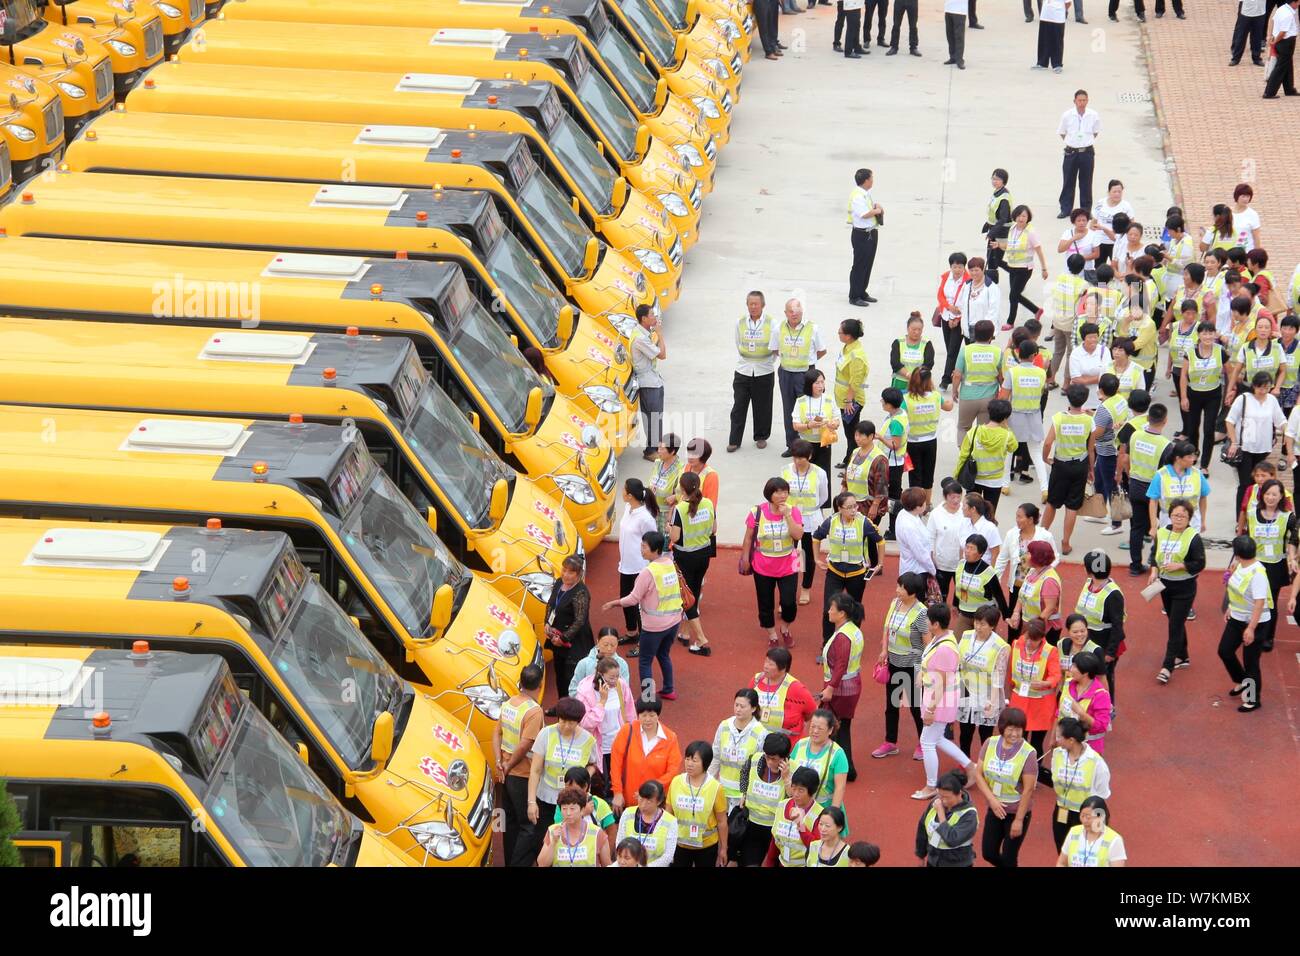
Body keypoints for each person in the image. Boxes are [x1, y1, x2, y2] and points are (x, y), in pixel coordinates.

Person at [603, 531, 682, 700]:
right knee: (663, 654)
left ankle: (647, 698)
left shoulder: (647, 572)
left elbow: (633, 598)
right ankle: (669, 689)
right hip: (674, 621)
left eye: (644, 546)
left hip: (654, 626)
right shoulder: (669, 563)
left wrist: (613, 603)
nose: (641, 549)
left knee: (645, 661)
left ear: (655, 549)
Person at [912, 603, 975, 801]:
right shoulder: (940, 639)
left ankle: (931, 786)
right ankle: (970, 766)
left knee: (927, 742)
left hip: (939, 700)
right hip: (935, 696)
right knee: (937, 738)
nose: (926, 623)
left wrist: (931, 708)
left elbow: (942, 682)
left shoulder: (945, 648)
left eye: (928, 620)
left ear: (936, 624)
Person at [525, 697, 599, 865]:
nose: (566, 726)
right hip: (546, 798)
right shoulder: (546, 734)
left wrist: (582, 778)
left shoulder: (588, 740)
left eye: (571, 723)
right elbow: (535, 770)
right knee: (544, 842)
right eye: (563, 721)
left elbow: (593, 765)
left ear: (579, 722)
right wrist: (531, 802)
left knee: (571, 843)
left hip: (573, 801)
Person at [741, 477, 805, 648]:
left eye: (785, 491)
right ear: (770, 494)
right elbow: (748, 538)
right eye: (778, 492)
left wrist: (788, 516)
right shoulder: (757, 512)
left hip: (789, 565)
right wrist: (746, 558)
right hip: (763, 566)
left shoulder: (793, 511)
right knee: (765, 603)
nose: (783, 495)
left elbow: (798, 535)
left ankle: (785, 628)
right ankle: (772, 634)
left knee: (789, 602)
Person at [971, 707, 1038, 867]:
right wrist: (992, 801)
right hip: (995, 809)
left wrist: (1019, 820)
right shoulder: (990, 743)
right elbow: (978, 774)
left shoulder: (1028, 753)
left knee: (1009, 858)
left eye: (1019, 730)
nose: (1014, 734)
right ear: (1002, 727)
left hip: (1016, 812)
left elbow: (1029, 789)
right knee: (988, 853)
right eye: (1010, 729)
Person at [495, 664, 545, 867]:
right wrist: (508, 766)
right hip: (522, 772)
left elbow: (496, 733)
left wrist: (499, 762)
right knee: (528, 824)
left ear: (520, 683)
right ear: (540, 685)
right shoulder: (534, 711)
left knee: (510, 822)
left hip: (506, 769)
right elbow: (526, 744)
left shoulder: (508, 704)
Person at [814, 493, 880, 644]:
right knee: (828, 609)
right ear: (839, 508)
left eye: (855, 506)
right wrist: (816, 558)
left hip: (856, 574)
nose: (854, 510)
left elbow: (880, 541)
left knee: (854, 608)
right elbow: (816, 537)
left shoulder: (863, 522)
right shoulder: (831, 521)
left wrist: (880, 563)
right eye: (849, 507)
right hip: (834, 573)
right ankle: (827, 644)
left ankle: (852, 641)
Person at [1118, 397, 1171, 575]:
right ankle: (1154, 560)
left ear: (1148, 419)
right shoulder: (1165, 445)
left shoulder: (1135, 436)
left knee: (1137, 527)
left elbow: (1126, 459)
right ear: (1165, 421)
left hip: (1135, 485)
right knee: (1160, 525)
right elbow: (1166, 472)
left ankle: (1135, 565)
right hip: (1154, 491)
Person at [1042, 384, 1096, 555]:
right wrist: (1090, 469)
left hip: (1060, 464)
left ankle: (1041, 537)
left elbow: (1048, 442)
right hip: (1079, 465)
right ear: (1085, 400)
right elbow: (1090, 448)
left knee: (1052, 502)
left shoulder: (1059, 418)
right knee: (1072, 506)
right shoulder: (1089, 420)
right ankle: (1065, 543)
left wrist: (1045, 458)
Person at [818, 595, 866, 780]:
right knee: (842, 727)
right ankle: (846, 768)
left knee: (833, 727)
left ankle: (843, 769)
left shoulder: (842, 638)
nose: (828, 611)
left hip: (840, 688)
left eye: (832, 608)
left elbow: (840, 665)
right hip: (851, 684)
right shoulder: (854, 630)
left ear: (842, 613)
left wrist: (830, 688)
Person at [1248, 478, 1298, 654]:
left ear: (1281, 496)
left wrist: (1293, 557)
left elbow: (1295, 537)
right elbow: (1248, 539)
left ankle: (1268, 637)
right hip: (1256, 564)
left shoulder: (1287, 517)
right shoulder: (1253, 514)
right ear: (1263, 495)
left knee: (1271, 603)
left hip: (1276, 565)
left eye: (1274, 494)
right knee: (1254, 600)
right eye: (1268, 494)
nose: (1270, 497)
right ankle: (1252, 630)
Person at [1222, 536, 1270, 713]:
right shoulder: (1240, 566)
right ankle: (1242, 681)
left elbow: (1259, 602)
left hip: (1255, 622)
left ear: (1237, 553)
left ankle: (1253, 699)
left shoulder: (1258, 573)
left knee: (1251, 662)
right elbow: (1236, 592)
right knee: (1224, 651)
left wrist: (1251, 628)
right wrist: (1230, 608)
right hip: (1236, 617)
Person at [609, 698, 683, 814]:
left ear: (658, 715)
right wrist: (617, 792)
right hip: (629, 802)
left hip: (655, 803)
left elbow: (672, 771)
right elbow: (616, 762)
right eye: (643, 715)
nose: (647, 720)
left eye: (652, 715)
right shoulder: (627, 731)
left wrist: (648, 792)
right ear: (638, 715)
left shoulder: (670, 738)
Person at [669, 470, 716, 656]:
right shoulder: (709, 504)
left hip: (685, 557)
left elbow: (675, 537)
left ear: (682, 489)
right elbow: (714, 529)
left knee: (685, 598)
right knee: (694, 593)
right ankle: (685, 632)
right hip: (704, 555)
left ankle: (702, 639)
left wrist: (668, 527)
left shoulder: (680, 509)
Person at [1049, 716, 1111, 851]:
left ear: (1071, 740)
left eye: (1059, 736)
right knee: (1063, 853)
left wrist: (1096, 823)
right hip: (1061, 812)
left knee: (1085, 855)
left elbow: (1102, 795)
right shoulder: (1057, 754)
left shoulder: (1096, 762)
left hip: (1087, 817)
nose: (1056, 738)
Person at [1007, 618, 1063, 768]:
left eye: (1034, 640)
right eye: (1027, 638)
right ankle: (1017, 770)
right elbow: (1010, 672)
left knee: (1036, 743)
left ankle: (1033, 772)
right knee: (1018, 740)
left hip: (1041, 704)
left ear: (1042, 637)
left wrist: (1047, 683)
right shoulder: (1016, 645)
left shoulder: (1050, 651)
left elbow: (1056, 675)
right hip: (1019, 701)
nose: (1030, 642)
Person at [1225, 372, 1286, 508]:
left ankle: (1256, 512)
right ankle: (1240, 517)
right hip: (1245, 448)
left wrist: (1289, 433)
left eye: (1267, 387)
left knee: (1260, 483)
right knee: (1245, 484)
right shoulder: (1243, 399)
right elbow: (1229, 421)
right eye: (1261, 387)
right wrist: (1234, 443)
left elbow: (1281, 421)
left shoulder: (1271, 400)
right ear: (1254, 386)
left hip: (1263, 449)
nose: (1264, 390)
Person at [1074, 550, 1127, 703]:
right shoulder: (1089, 584)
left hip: (1105, 643)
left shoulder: (1113, 594)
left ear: (1090, 571)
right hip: (1087, 639)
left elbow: (1118, 625)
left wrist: (1110, 653)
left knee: (1104, 677)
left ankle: (1108, 707)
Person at [996, 506, 1058, 636]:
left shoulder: (1045, 535)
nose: (1017, 519)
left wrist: (1042, 571)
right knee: (1014, 623)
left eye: (1020, 516)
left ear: (1030, 519)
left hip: (1037, 586)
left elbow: (1055, 556)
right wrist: (997, 580)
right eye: (1016, 516)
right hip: (1018, 584)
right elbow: (1002, 559)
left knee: (1035, 618)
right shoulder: (1012, 534)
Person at [775, 300, 828, 454]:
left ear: (802, 312)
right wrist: (789, 361)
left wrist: (809, 362)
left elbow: (822, 350)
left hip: (806, 374)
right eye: (791, 311)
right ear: (785, 313)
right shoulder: (779, 328)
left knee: (809, 408)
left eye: (797, 312)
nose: (794, 314)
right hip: (786, 372)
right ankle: (792, 446)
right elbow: (774, 349)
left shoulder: (813, 328)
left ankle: (810, 445)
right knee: (789, 409)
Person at [956, 605, 1010, 756]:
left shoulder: (1001, 647)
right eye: (976, 622)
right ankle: (964, 763)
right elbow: (958, 663)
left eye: (983, 624)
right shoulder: (966, 635)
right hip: (966, 691)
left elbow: (998, 677)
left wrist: (992, 703)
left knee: (985, 735)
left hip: (986, 694)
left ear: (992, 626)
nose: (978, 627)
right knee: (965, 732)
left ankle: (984, 765)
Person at [729, 291, 777, 453]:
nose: (754, 307)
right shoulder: (740, 322)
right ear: (747, 305)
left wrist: (766, 361)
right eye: (751, 303)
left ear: (763, 305)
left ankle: (761, 436)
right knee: (739, 406)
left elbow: (776, 347)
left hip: (764, 371)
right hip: (743, 370)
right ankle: (734, 440)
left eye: (757, 304)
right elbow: (738, 342)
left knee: (763, 406)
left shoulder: (772, 323)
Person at [667, 741, 729, 867]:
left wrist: (723, 849)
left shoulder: (716, 788)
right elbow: (668, 814)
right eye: (687, 759)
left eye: (694, 761)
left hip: (706, 846)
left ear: (705, 763)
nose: (689, 764)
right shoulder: (676, 782)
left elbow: (722, 821)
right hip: (679, 844)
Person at [615, 479, 659, 649]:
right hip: (625, 564)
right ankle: (632, 632)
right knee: (626, 599)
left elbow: (653, 541)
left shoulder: (645, 518)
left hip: (639, 567)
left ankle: (643, 642)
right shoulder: (628, 508)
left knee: (640, 605)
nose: (622, 492)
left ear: (630, 495)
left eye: (624, 490)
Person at [575, 657, 636, 779]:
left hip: (619, 742)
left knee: (620, 779)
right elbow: (586, 723)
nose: (615, 680)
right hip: (598, 744)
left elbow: (630, 713)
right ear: (600, 675)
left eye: (617, 676)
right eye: (611, 677)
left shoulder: (621, 685)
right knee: (603, 782)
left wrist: (632, 736)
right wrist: (602, 702)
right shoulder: (585, 691)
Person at [954, 398, 1017, 514]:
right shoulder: (1007, 436)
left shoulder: (974, 431)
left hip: (974, 478)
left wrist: (956, 474)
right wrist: (1006, 427)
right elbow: (1014, 447)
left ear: (989, 412)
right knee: (989, 514)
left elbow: (963, 455)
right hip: (995, 480)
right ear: (1005, 418)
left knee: (970, 513)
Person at [736, 733, 792, 865]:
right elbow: (744, 773)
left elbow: (793, 798)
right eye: (767, 757)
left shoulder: (793, 769)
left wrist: (786, 779)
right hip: (752, 824)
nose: (769, 762)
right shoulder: (755, 760)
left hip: (776, 828)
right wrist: (743, 793)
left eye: (774, 759)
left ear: (784, 758)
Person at [709, 689, 767, 810]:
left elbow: (759, 767)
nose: (738, 709)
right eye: (736, 705)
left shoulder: (760, 733)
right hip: (721, 789)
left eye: (742, 706)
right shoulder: (724, 725)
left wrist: (747, 793)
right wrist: (708, 781)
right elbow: (716, 755)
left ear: (753, 708)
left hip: (742, 795)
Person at [544, 555, 593, 698]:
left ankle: (573, 709)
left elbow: (579, 621)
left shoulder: (581, 593)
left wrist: (563, 639)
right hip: (557, 638)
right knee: (559, 674)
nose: (565, 574)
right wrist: (547, 622)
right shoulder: (559, 583)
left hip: (574, 642)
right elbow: (551, 604)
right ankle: (561, 704)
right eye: (564, 570)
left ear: (579, 574)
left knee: (571, 676)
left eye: (570, 572)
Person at [1049, 650, 1113, 758]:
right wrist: (1053, 737)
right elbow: (1059, 713)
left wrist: (1082, 714)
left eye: (1075, 667)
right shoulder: (1068, 683)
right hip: (1065, 745)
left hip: (1088, 749)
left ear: (1085, 673)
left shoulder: (1101, 695)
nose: (1071, 669)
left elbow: (1102, 726)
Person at [1006, 340, 1050, 492]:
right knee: (1036, 453)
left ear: (1018, 353)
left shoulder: (1012, 372)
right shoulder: (1041, 373)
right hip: (1034, 416)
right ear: (1034, 356)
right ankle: (1045, 488)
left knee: (1008, 451)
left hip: (1015, 417)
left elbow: (1004, 396)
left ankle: (1005, 485)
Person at [952, 318, 1005, 444]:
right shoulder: (998, 352)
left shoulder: (966, 350)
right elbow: (1001, 377)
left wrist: (954, 390)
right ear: (992, 336)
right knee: (984, 430)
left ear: (974, 333)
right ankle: (980, 457)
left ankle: (964, 457)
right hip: (989, 397)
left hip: (968, 397)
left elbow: (957, 375)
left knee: (963, 428)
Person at [789, 708, 851, 815]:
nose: (815, 731)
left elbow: (840, 788)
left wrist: (832, 814)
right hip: (799, 807)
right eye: (812, 726)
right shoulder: (800, 745)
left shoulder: (837, 754)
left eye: (820, 728)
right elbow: (790, 773)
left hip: (822, 809)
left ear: (830, 730)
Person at [905, 367, 951, 506]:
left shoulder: (907, 399)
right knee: (928, 475)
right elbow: (948, 407)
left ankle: (915, 504)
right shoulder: (936, 396)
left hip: (913, 442)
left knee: (915, 475)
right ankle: (927, 503)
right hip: (930, 441)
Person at [997, 205, 1049, 330]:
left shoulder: (1031, 232)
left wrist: (1044, 269)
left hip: (1024, 269)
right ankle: (1036, 310)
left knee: (1013, 295)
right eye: (1019, 215)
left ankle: (1010, 322)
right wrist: (998, 245)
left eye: (1024, 216)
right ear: (1015, 216)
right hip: (1013, 267)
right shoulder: (1013, 228)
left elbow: (1039, 251)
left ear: (1028, 218)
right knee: (1015, 295)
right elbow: (1011, 246)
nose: (1021, 218)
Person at [750, 646, 819, 740]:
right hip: (758, 742)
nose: (765, 666)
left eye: (771, 664)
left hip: (786, 746)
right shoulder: (756, 680)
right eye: (766, 661)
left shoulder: (797, 689)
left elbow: (811, 711)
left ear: (783, 668)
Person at [914, 769, 978, 867]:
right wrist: (920, 855)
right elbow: (922, 827)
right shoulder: (935, 803)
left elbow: (952, 840)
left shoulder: (969, 814)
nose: (942, 800)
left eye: (947, 797)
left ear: (959, 793)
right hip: (933, 860)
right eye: (940, 795)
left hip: (957, 863)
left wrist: (940, 813)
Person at [538, 785, 614, 867]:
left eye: (572, 809)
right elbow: (542, 864)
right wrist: (553, 843)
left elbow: (607, 864)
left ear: (582, 810)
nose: (568, 813)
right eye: (564, 809)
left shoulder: (597, 833)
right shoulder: (553, 830)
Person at [764, 766, 825, 867]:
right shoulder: (782, 805)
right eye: (794, 788)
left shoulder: (819, 814)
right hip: (782, 863)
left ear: (812, 792)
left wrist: (800, 825)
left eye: (801, 790)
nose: (795, 794)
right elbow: (775, 839)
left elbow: (816, 848)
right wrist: (769, 862)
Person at [843, 420, 891, 546]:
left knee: (868, 540)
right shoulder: (855, 452)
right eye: (856, 435)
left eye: (861, 436)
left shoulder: (879, 458)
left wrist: (875, 506)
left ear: (871, 437)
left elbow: (882, 485)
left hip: (869, 505)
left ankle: (873, 565)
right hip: (853, 504)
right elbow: (847, 475)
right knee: (854, 538)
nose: (857, 438)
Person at [1147, 440, 1210, 533]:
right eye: (1189, 457)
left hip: (1192, 524)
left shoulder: (1197, 474)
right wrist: (1153, 526)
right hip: (1169, 525)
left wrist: (1202, 521)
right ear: (1178, 458)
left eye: (1193, 456)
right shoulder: (1161, 475)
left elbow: (1203, 497)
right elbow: (1153, 501)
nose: (1193, 459)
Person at [629, 303, 666, 459]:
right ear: (644, 318)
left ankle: (655, 448)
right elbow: (662, 355)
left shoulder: (641, 332)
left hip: (652, 379)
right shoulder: (640, 339)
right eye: (651, 315)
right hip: (649, 382)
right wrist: (660, 333)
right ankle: (651, 451)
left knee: (654, 417)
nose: (654, 317)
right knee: (653, 417)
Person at [614, 779, 677, 866]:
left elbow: (668, 856)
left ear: (659, 801)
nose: (643, 805)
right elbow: (619, 842)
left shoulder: (670, 821)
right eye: (641, 799)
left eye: (649, 801)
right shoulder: (628, 813)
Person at [550, 766, 618, 846]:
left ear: (585, 786)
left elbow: (612, 831)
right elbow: (559, 827)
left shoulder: (599, 804)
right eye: (566, 787)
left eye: (573, 788)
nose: (569, 791)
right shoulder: (561, 805)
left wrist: (607, 854)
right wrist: (582, 813)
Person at [1057, 89, 1099, 217]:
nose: (1082, 103)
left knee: (1086, 182)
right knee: (1068, 180)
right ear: (1074, 101)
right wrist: (1073, 143)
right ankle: (1066, 209)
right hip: (1071, 152)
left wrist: (1084, 143)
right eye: (1079, 100)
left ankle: (1085, 210)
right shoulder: (1067, 115)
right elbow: (1062, 132)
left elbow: (1095, 132)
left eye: (1084, 100)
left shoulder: (1093, 115)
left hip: (1087, 152)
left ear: (1087, 101)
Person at [790, 374, 837, 487]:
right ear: (809, 384)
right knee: (805, 474)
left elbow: (836, 420)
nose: (821, 386)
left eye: (822, 382)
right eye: (817, 383)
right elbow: (795, 425)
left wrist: (833, 424)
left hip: (824, 443)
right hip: (805, 444)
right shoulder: (801, 401)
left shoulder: (829, 399)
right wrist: (808, 426)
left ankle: (823, 504)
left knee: (823, 475)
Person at [1011, 540, 1063, 642]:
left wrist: (1034, 628)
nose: (1024, 555)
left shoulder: (1049, 581)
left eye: (1028, 553)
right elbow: (1022, 594)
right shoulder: (1032, 572)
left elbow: (1050, 608)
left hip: (1044, 629)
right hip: (1031, 625)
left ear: (1037, 557)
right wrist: (1016, 612)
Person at [836, 318, 870, 467]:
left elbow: (855, 381)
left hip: (851, 402)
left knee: (853, 435)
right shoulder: (847, 348)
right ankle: (848, 459)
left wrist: (849, 400)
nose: (838, 334)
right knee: (849, 433)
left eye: (840, 332)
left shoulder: (856, 356)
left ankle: (853, 464)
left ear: (848, 336)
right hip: (844, 399)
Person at [1057, 795, 1127, 866]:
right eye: (1082, 816)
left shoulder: (1114, 840)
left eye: (1088, 817)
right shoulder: (1073, 832)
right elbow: (1061, 863)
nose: (1084, 821)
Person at [848, 168, 882, 306]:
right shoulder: (857, 196)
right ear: (866, 180)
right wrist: (877, 211)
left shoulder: (866, 193)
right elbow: (863, 214)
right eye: (871, 178)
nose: (873, 180)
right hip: (862, 235)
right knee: (859, 266)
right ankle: (854, 296)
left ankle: (862, 292)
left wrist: (875, 206)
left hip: (871, 232)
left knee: (868, 264)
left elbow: (868, 209)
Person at [937, 252, 972, 389]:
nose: (957, 270)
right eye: (955, 266)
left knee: (952, 350)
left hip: (960, 320)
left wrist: (956, 317)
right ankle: (958, 372)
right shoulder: (946, 276)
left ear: (964, 267)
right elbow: (940, 295)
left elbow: (965, 302)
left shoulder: (968, 280)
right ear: (951, 266)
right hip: (946, 316)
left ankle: (946, 380)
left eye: (960, 267)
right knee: (950, 349)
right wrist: (948, 307)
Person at [929, 479, 967, 601]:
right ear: (945, 497)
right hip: (942, 562)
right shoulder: (936, 514)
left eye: (958, 497)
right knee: (942, 594)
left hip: (962, 562)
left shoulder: (966, 511)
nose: (956, 500)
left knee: (961, 594)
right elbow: (930, 537)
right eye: (952, 497)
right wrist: (931, 556)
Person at [879, 387, 909, 534]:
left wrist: (879, 438)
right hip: (895, 462)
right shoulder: (900, 413)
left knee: (893, 497)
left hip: (893, 463)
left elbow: (895, 445)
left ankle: (893, 529)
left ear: (890, 405)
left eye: (883, 401)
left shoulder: (896, 422)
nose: (881, 403)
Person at [569, 627, 631, 697]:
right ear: (598, 642)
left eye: (613, 645)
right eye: (605, 645)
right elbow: (573, 690)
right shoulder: (584, 664)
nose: (609, 649)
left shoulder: (622, 664)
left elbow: (625, 690)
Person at [647, 435, 685, 536]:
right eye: (658, 447)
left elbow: (683, 494)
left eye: (662, 448)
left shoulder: (680, 469)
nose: (658, 451)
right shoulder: (657, 463)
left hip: (667, 515)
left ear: (672, 451)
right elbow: (651, 481)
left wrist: (675, 497)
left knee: (664, 544)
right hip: (652, 509)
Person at [896, 487, 937, 577]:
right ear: (918, 507)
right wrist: (933, 570)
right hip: (916, 572)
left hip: (913, 567)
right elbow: (920, 553)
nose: (926, 504)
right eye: (924, 503)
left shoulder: (905, 513)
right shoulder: (909, 527)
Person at [956, 492, 1003, 569]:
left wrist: (990, 574)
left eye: (964, 505)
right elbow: (962, 548)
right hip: (965, 570)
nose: (962, 508)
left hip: (982, 572)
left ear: (973, 509)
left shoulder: (990, 528)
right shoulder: (964, 523)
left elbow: (995, 554)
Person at [1263, 0, 1300, 98]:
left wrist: (1270, 36)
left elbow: (1272, 21)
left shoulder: (1281, 9)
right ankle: (1269, 92)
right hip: (1285, 43)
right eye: (1298, 2)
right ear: (1293, 2)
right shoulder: (1288, 14)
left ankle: (1289, 89)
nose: (1298, 5)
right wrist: (1274, 41)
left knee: (1287, 65)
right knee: (1280, 68)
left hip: (1281, 42)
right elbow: (1283, 32)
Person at [982, 169, 1014, 281]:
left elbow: (1003, 218)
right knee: (993, 259)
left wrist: (992, 232)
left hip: (1001, 232)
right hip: (995, 229)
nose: (994, 181)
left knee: (994, 260)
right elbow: (994, 213)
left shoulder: (1004, 198)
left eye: (997, 179)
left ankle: (1016, 274)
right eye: (993, 178)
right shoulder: (997, 192)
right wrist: (988, 224)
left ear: (1004, 181)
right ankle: (1014, 273)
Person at [890, 312, 932, 391]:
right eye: (914, 329)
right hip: (900, 383)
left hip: (919, 383)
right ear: (907, 328)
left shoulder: (927, 344)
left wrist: (917, 378)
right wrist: (909, 376)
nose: (917, 332)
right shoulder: (898, 342)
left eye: (919, 330)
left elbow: (928, 364)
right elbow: (895, 364)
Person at [1068, 323, 1106, 411]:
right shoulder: (1076, 353)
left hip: (1100, 400)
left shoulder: (1104, 351)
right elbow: (1076, 379)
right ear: (1083, 338)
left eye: (1095, 337)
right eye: (1090, 337)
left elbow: (1106, 376)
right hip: (1081, 400)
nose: (1093, 340)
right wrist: (1098, 377)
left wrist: (1084, 379)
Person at [1058, 613, 1102, 679]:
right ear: (1068, 631)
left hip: (1085, 689)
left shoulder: (1095, 650)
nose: (1079, 635)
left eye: (1083, 631)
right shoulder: (1062, 644)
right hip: (1065, 688)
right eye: (1075, 632)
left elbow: (1101, 678)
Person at [684, 437, 719, 510]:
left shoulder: (711, 475)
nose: (690, 457)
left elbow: (711, 504)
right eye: (689, 453)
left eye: (695, 454)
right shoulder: (687, 467)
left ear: (703, 456)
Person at [1035, 0, 1071, 71]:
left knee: (1057, 41)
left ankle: (1057, 64)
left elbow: (1068, 3)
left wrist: (1061, 10)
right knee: (1044, 39)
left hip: (1057, 16)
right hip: (1045, 15)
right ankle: (1042, 63)